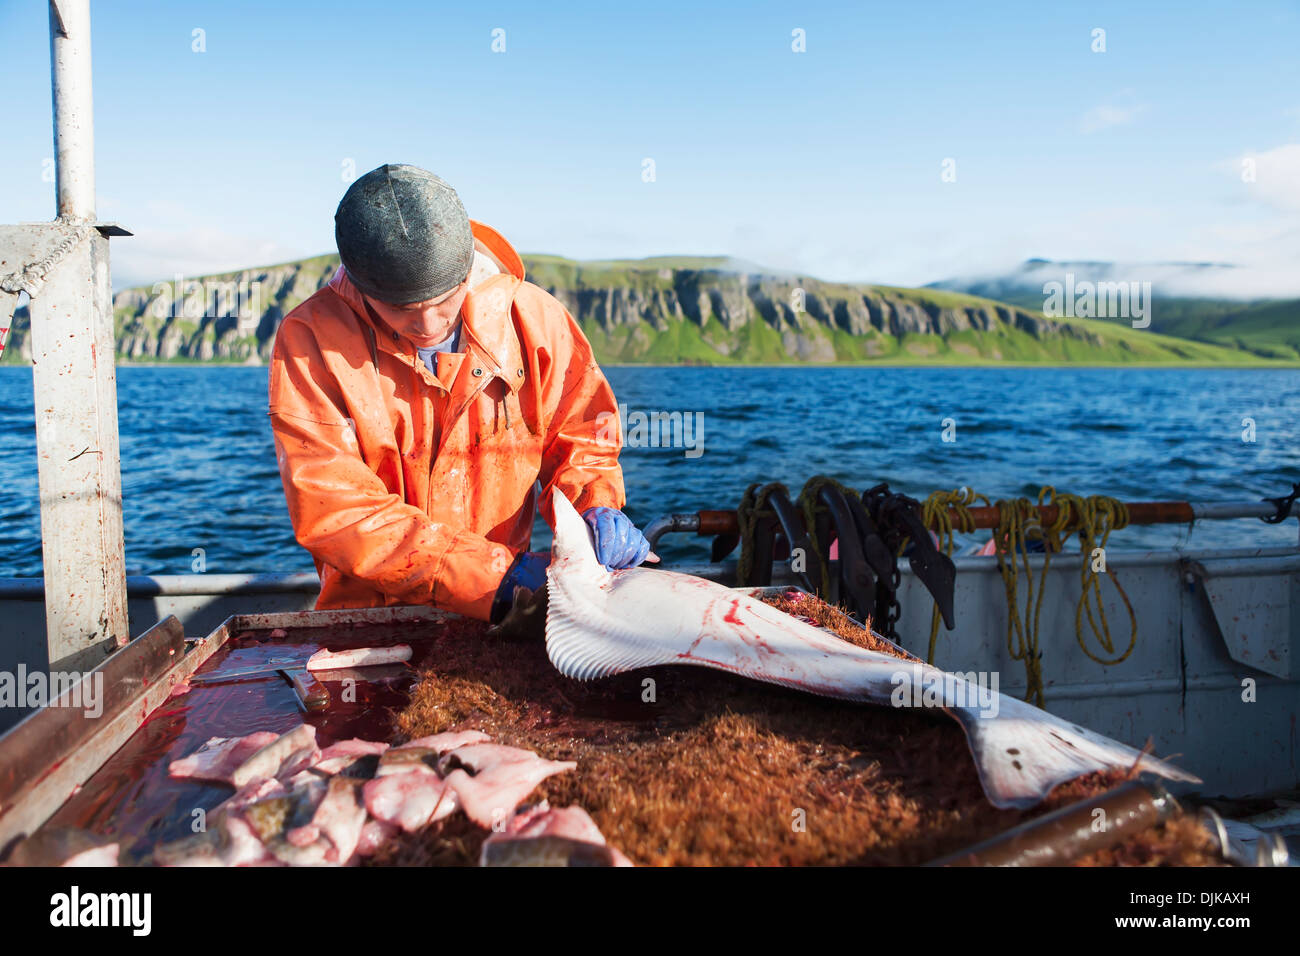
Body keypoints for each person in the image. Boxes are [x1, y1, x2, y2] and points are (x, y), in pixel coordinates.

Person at [268, 163, 650, 626]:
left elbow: (579, 436)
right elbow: (336, 505)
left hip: (509, 617)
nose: (428, 326)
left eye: (445, 300)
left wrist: (597, 503)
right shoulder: (310, 341)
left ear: (466, 267)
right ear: (360, 285)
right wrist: (491, 576)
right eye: (402, 309)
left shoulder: (535, 318)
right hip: (372, 624)